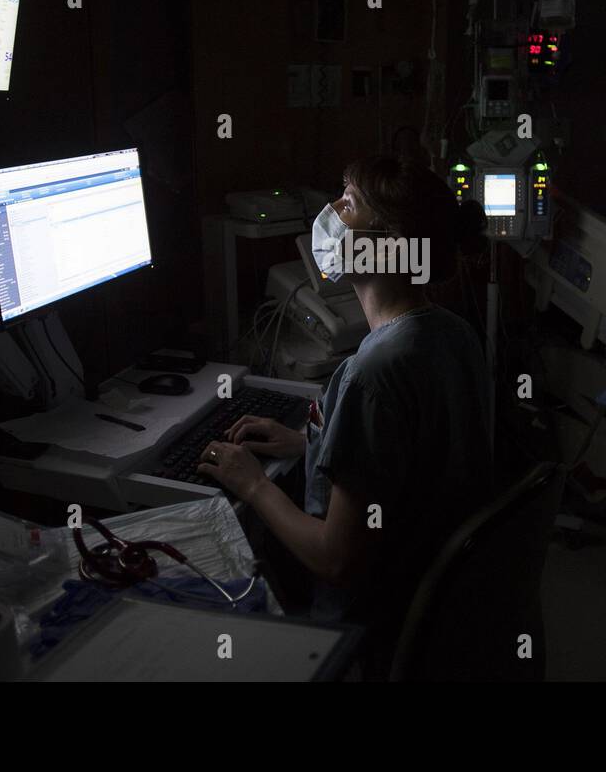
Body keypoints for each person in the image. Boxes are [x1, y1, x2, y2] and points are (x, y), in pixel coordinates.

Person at [197, 154, 495, 676]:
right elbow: (416, 462)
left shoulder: (371, 374)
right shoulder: (453, 334)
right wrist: (312, 442)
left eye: (350, 203)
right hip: (444, 613)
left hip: (368, 632)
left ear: (391, 243)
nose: (330, 213)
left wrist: (252, 485)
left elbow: (337, 560)